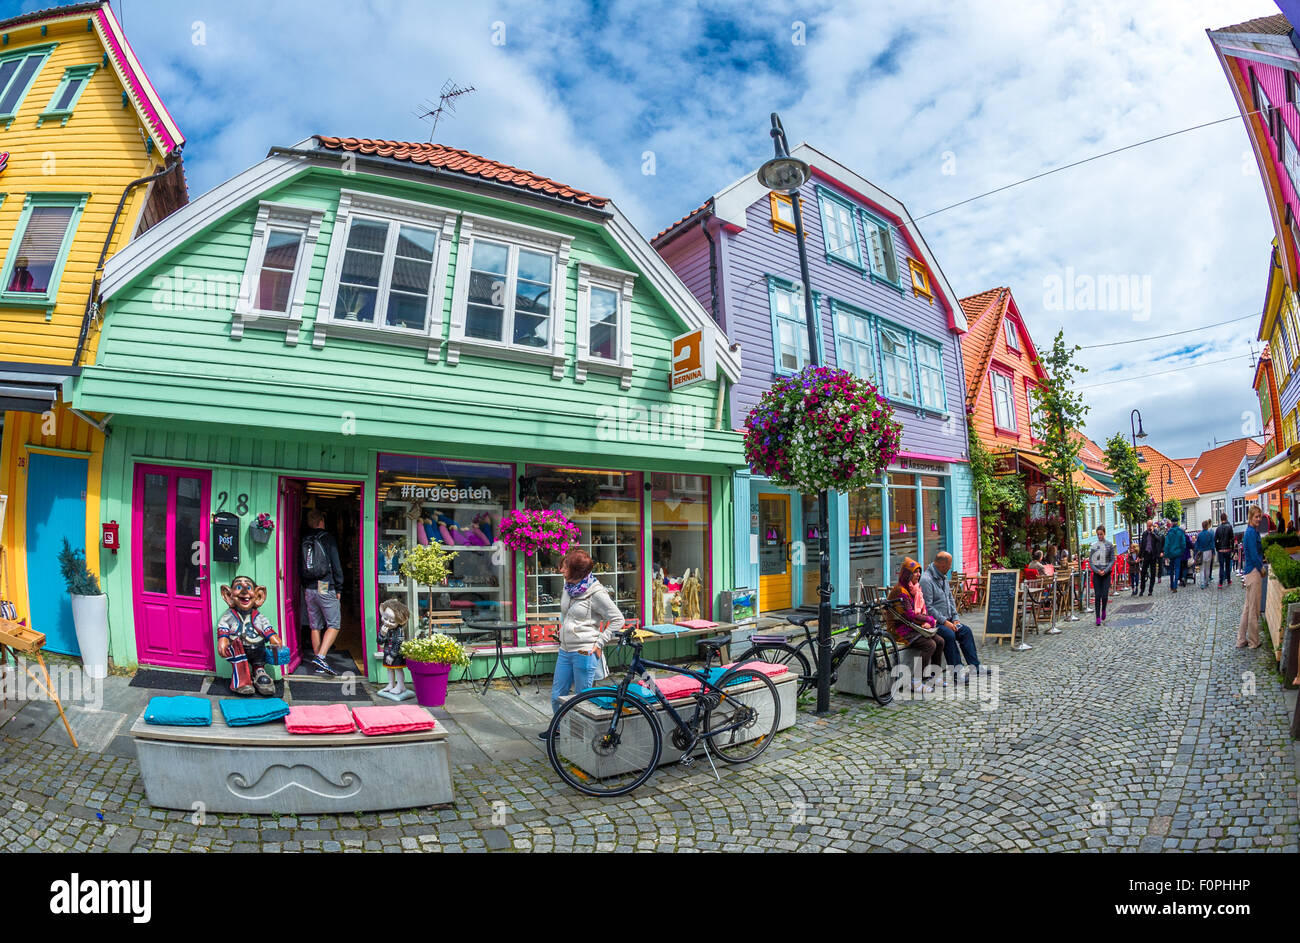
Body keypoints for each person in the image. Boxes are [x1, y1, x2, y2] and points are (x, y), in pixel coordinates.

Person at [539, 549, 625, 739]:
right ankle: (560, 728)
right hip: (565, 649)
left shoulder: (596, 593)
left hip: (585, 651)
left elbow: (618, 619)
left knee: (582, 698)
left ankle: (582, 737)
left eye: (565, 566)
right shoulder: (568, 586)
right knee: (557, 696)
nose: (561, 570)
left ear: (576, 571)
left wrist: (601, 642)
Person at [920, 551, 982, 682]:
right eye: (949, 565)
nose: (950, 568)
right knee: (949, 635)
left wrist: (955, 618)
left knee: (965, 631)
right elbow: (929, 607)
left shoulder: (942, 577)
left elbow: (950, 600)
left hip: (949, 620)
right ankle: (957, 674)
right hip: (935, 622)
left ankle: (975, 667)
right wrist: (945, 622)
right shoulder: (926, 580)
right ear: (942, 565)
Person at [301, 509, 345, 676]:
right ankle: (320, 657)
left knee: (315, 626)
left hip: (310, 587)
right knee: (334, 624)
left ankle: (320, 662)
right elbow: (336, 564)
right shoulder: (327, 538)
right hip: (324, 585)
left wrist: (305, 584)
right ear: (321, 521)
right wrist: (339, 587)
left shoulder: (305, 539)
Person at [886, 558, 939, 694]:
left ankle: (933, 674)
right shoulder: (901, 591)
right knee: (930, 645)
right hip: (900, 628)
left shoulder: (913, 589)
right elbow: (910, 615)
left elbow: (920, 611)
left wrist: (927, 620)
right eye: (915, 572)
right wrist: (929, 620)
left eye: (919, 572)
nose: (918, 575)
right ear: (906, 574)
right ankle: (916, 682)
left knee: (940, 641)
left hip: (911, 625)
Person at [1239, 506, 1265, 649]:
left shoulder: (1251, 532)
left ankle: (1241, 639)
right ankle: (1254, 641)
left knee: (1248, 608)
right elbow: (1254, 555)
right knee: (1253, 609)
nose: (1259, 519)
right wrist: (1261, 568)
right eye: (1256, 517)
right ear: (1250, 517)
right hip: (1254, 572)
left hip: (1249, 571)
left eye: (1260, 517)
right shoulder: (1250, 533)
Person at [1089, 525, 1115, 625]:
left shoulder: (1109, 545)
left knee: (1104, 595)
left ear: (1104, 534)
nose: (1099, 536)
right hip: (1097, 574)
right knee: (1097, 596)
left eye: (1101, 534)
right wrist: (1096, 570)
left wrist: (1106, 569)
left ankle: (1103, 609)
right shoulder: (1094, 546)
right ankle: (1098, 617)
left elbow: (1112, 559)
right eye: (1098, 534)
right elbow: (1091, 561)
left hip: (1106, 573)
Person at [1138, 520, 1162, 597]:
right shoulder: (1144, 534)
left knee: (1153, 573)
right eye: (1147, 526)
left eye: (1150, 526)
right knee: (1143, 573)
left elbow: (1159, 540)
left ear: (1152, 526)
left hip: (1153, 556)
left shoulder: (1155, 533)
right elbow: (1142, 546)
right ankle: (1142, 589)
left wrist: (1152, 533)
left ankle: (1150, 590)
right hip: (1146, 555)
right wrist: (1139, 556)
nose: (1148, 527)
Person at [1162, 519, 1187, 593]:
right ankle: (1175, 585)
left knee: (1171, 570)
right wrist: (1181, 551)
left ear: (1172, 523)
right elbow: (1183, 543)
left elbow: (1167, 544)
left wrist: (1166, 554)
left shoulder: (1169, 532)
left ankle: (1171, 585)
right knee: (1177, 569)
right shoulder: (1180, 532)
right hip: (1178, 553)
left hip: (1171, 553)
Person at [1214, 512, 1235, 587]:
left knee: (1221, 566)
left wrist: (1217, 548)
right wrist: (1232, 548)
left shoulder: (1218, 528)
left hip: (1220, 550)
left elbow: (1215, 539)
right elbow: (1232, 538)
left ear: (1220, 519)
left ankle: (1220, 582)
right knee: (1228, 565)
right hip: (1227, 549)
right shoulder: (1229, 527)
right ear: (1226, 518)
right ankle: (1228, 580)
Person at [1194, 520, 1215, 590]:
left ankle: (1202, 583)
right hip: (1209, 551)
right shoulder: (1210, 534)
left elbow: (1197, 545)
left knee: (1202, 568)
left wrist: (1196, 553)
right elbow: (1212, 544)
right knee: (1208, 568)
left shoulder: (1199, 535)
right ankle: (1207, 581)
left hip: (1202, 552)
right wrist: (1213, 553)